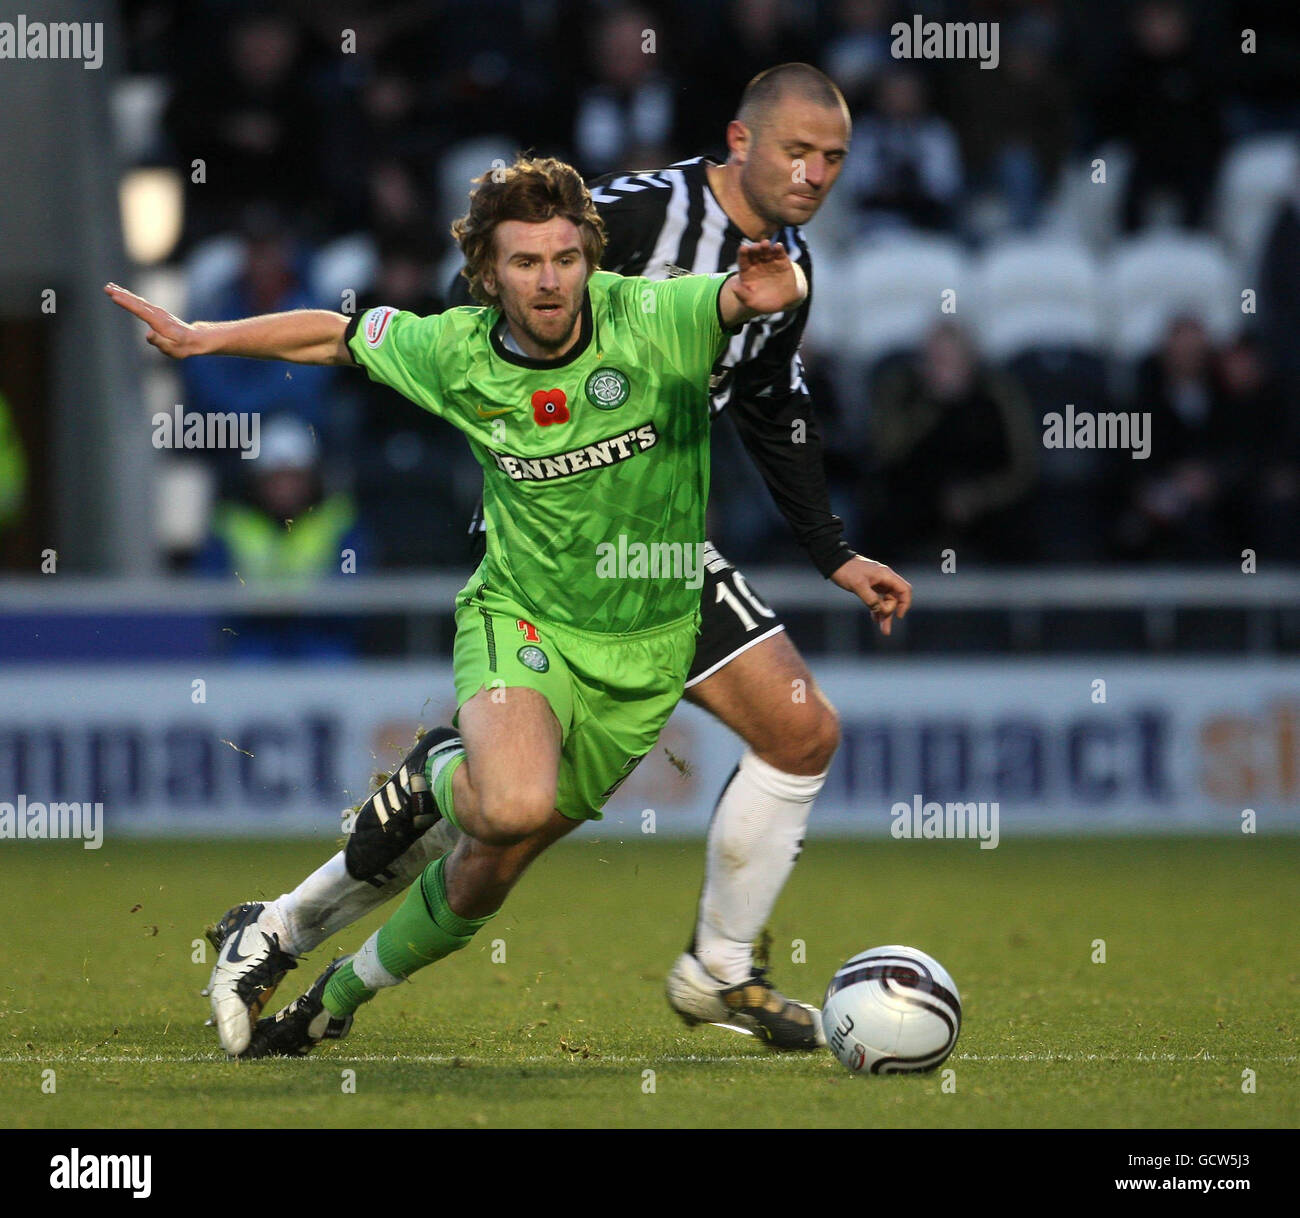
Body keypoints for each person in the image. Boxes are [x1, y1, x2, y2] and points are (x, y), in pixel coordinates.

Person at [187, 64, 912, 1057]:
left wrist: (829, 549)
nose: (816, 173)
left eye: (834, 157)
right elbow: (463, 313)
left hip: (658, 552)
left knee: (776, 739)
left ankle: (717, 968)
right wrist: (511, 393)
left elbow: (770, 405)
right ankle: (285, 924)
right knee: (502, 810)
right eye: (798, 150)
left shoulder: (782, 270)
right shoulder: (631, 216)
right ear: (740, 143)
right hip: (546, 546)